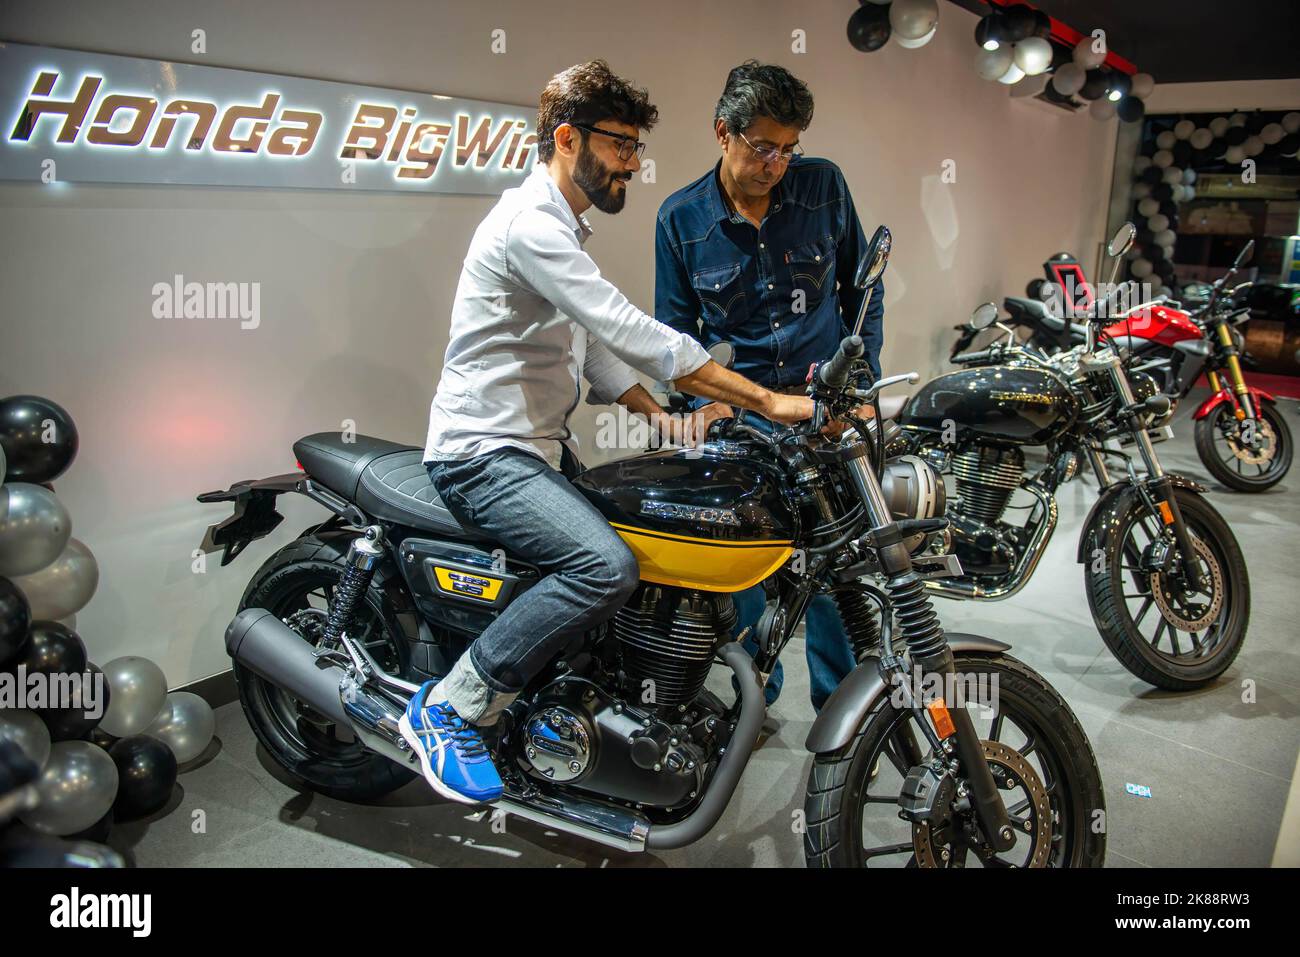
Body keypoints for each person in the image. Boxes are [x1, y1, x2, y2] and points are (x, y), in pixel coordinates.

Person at [404, 61, 814, 805]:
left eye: (635, 146)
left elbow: (590, 346)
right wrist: (764, 399)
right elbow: (628, 327)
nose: (634, 161)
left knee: (634, 549)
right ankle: (449, 705)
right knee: (603, 568)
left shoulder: (563, 227)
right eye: (622, 145)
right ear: (568, 138)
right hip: (481, 454)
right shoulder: (530, 226)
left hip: (535, 450)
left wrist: (664, 418)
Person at [654, 61, 883, 713]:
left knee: (840, 567)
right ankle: (755, 694)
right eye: (763, 147)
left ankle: (843, 708)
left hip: (824, 411)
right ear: (722, 132)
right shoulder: (680, 220)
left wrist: (857, 384)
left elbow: (863, 291)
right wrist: (707, 404)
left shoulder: (825, 188)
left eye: (789, 148)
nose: (777, 162)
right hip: (742, 423)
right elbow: (674, 336)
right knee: (746, 574)